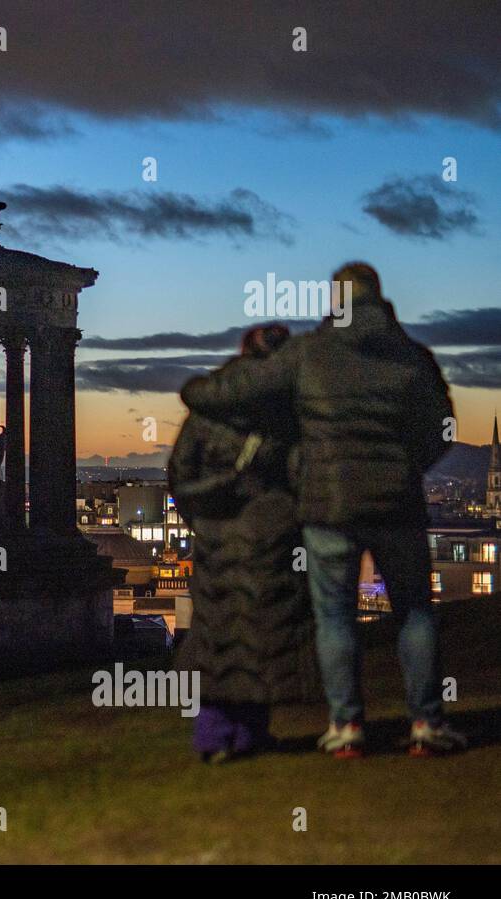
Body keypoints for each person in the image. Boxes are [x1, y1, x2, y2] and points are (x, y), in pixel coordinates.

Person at [181, 263, 467, 757]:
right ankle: (426, 722)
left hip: (328, 503)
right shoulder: (413, 357)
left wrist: (195, 391)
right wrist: (407, 465)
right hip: (397, 500)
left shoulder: (309, 354)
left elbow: (234, 392)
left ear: (336, 301)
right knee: (415, 612)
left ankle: (347, 727)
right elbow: (442, 424)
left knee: (335, 616)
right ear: (379, 297)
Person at [171, 323, 316, 763]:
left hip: (217, 532)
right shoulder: (286, 410)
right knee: (263, 633)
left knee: (215, 633)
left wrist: (205, 517)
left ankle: (213, 733)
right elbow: (302, 475)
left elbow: (180, 472)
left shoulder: (208, 407)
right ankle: (251, 732)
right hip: (270, 533)